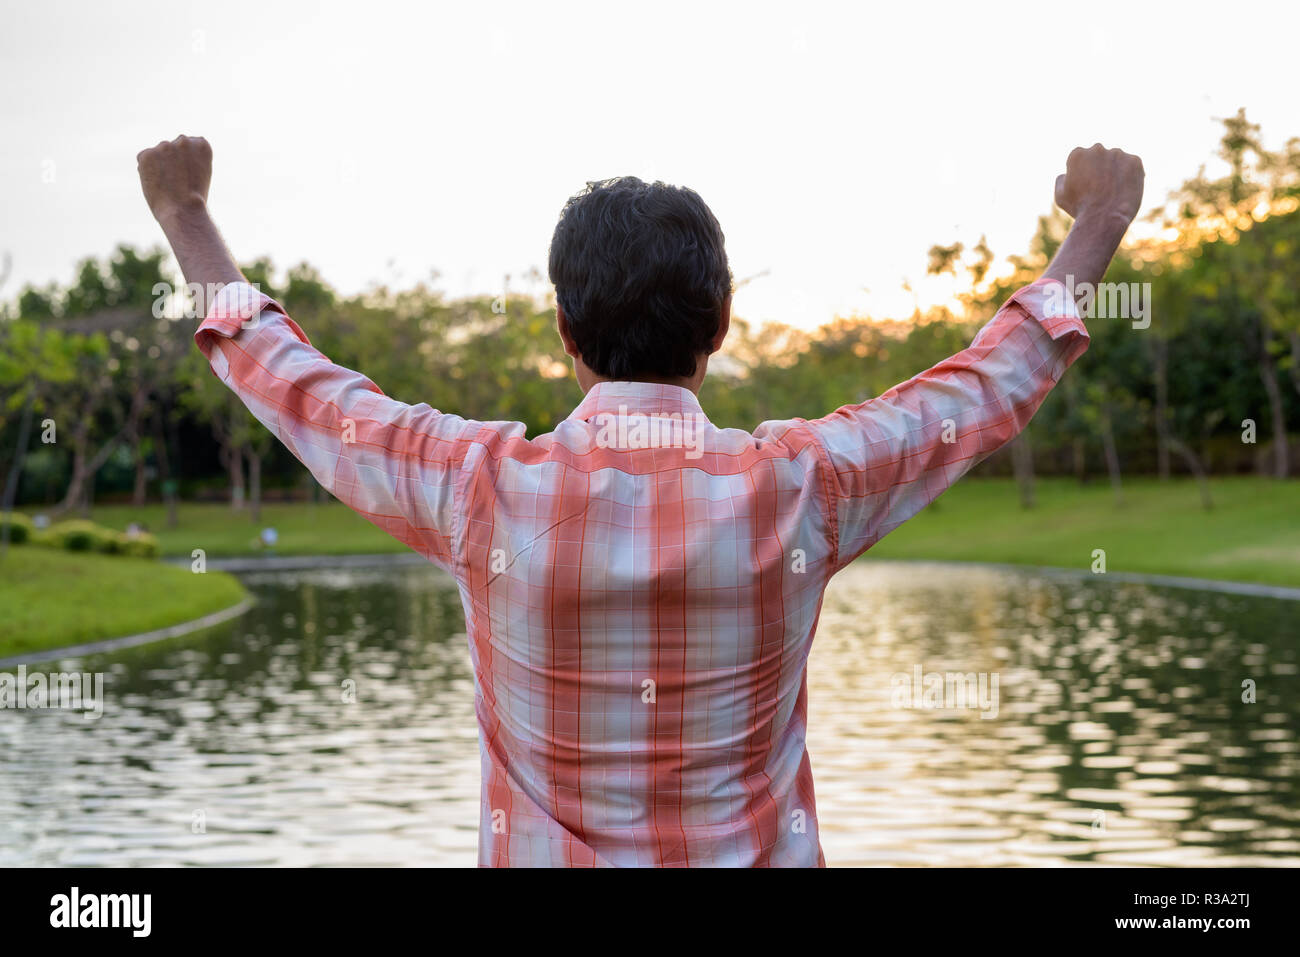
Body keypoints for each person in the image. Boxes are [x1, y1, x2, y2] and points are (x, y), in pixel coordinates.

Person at [138, 136, 1143, 866]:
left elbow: (292, 382)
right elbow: (987, 386)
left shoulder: (476, 490)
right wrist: (1099, 220)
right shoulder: (803, 488)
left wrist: (186, 215)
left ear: (565, 331)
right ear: (718, 327)